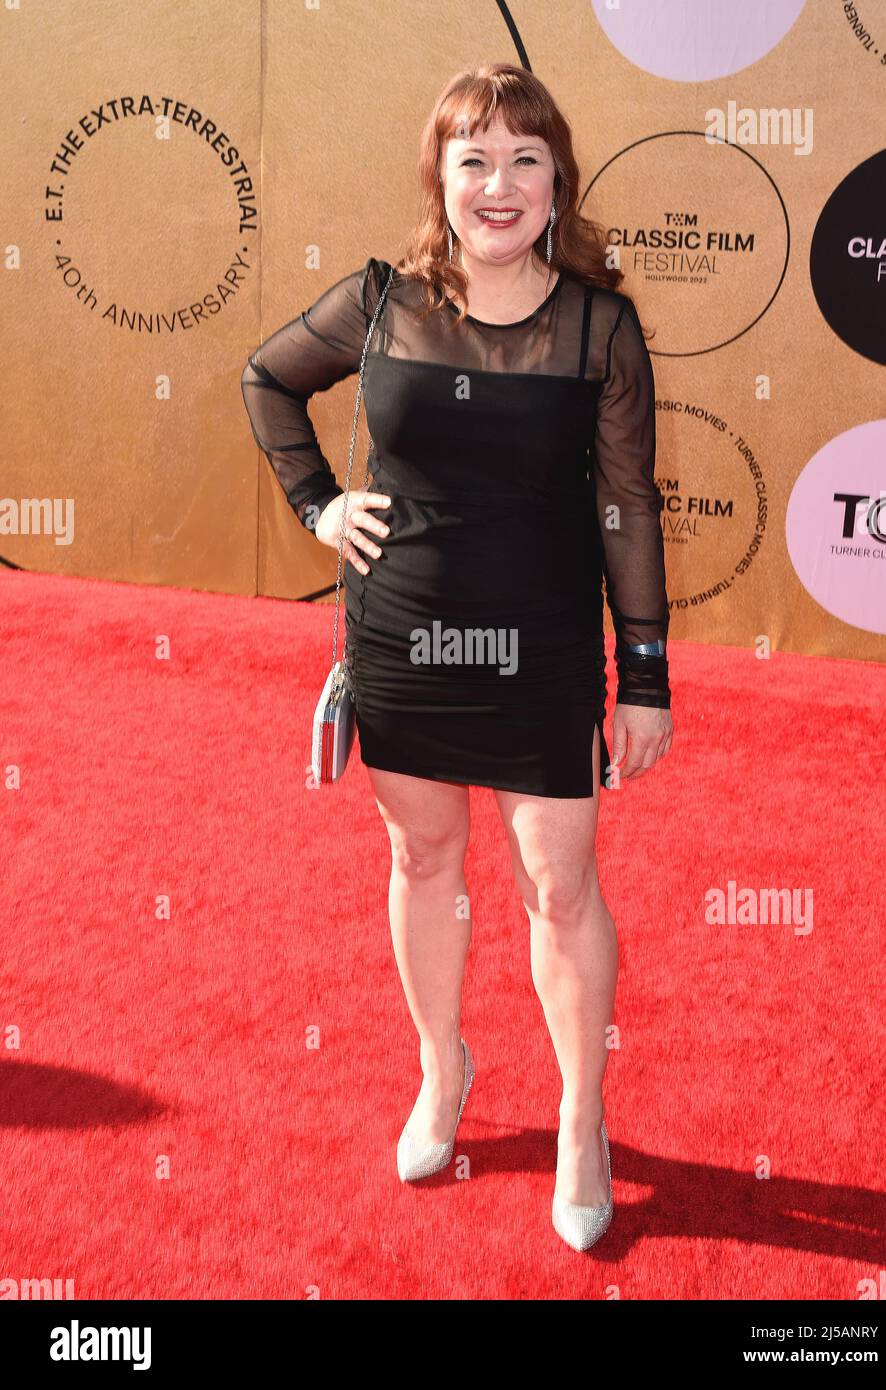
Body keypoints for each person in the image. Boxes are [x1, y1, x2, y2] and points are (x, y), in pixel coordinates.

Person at [240, 61, 674, 1253]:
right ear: (440, 177)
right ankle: (445, 1068)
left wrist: (641, 673)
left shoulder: (598, 324)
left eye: (523, 159)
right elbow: (268, 378)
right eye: (473, 157)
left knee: (558, 884)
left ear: (556, 183)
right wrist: (319, 504)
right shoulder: (381, 303)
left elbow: (629, 504)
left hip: (538, 648)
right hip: (401, 635)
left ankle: (581, 1118)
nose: (498, 183)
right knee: (423, 856)